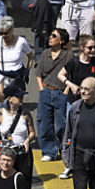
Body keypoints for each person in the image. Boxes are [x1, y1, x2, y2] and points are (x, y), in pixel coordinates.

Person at [36, 28, 73, 161]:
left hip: (61, 92)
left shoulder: (68, 56)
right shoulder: (45, 53)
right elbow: (38, 73)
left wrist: (66, 91)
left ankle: (64, 148)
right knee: (45, 123)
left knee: (62, 124)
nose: (50, 38)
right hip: (46, 91)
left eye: (54, 36)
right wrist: (41, 88)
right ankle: (49, 151)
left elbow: (72, 75)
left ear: (61, 41)